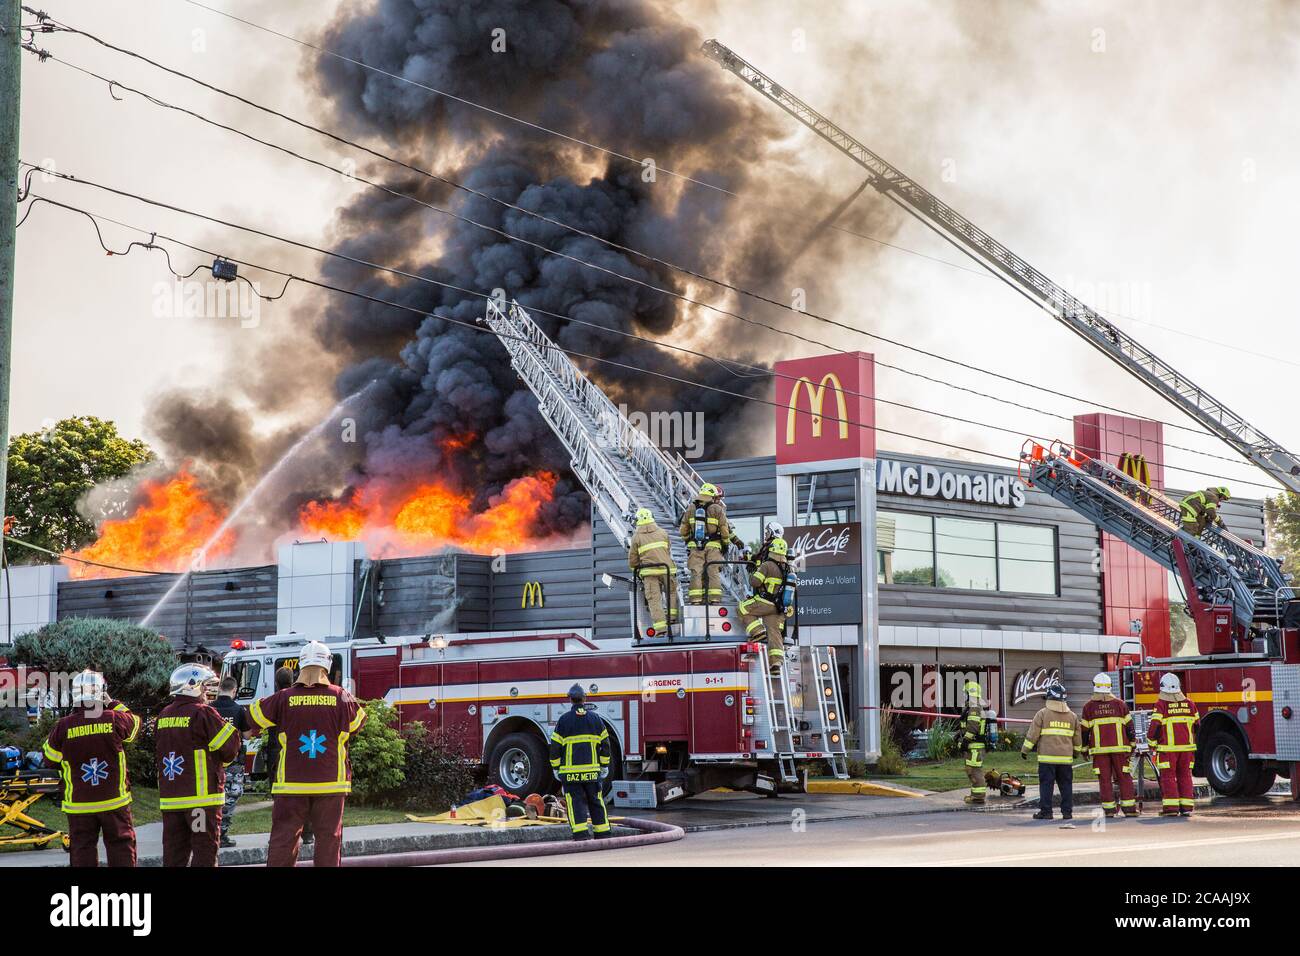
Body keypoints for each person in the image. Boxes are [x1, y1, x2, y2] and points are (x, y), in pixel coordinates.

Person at [250, 641, 366, 866]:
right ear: (328, 665)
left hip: (291, 782)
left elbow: (252, 718)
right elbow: (357, 725)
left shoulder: (283, 697)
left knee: (284, 838)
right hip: (331, 782)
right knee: (329, 839)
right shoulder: (341, 696)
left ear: (300, 666)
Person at [42, 669, 141, 867]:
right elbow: (134, 724)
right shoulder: (114, 718)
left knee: (82, 848)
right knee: (120, 844)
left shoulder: (63, 726)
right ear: (101, 693)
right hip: (114, 800)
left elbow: (50, 759)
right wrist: (111, 702)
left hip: (79, 802)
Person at [155, 663, 242, 867]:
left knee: (174, 854)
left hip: (171, 801)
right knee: (204, 849)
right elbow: (229, 747)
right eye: (205, 686)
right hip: (200, 803)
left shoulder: (163, 716)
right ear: (193, 686)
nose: (207, 692)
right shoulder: (203, 713)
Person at [549, 683, 612, 840]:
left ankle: (581, 834)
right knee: (596, 800)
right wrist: (604, 766)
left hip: (571, 774)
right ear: (584, 699)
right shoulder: (596, 719)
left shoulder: (563, 721)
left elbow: (555, 748)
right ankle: (603, 832)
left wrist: (556, 767)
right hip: (592, 773)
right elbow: (605, 745)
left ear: (570, 700)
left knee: (575, 803)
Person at [1021, 681, 1083, 821]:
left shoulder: (1042, 714)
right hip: (1065, 760)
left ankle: (1046, 812)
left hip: (1047, 759)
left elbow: (1032, 735)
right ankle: (1067, 812)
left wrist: (1025, 750)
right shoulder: (1072, 716)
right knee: (1066, 786)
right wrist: (1076, 753)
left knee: (1046, 786)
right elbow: (1077, 739)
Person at [1081, 673, 1138, 818]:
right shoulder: (1120, 704)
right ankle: (1129, 809)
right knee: (1124, 777)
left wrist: (1084, 749)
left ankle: (1109, 810)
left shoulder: (1088, 707)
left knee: (1105, 780)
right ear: (1110, 687)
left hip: (1100, 752)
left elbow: (1084, 731)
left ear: (1095, 687)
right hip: (1121, 749)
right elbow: (1130, 726)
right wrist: (1132, 744)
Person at [738, 536, 793, 673]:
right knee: (774, 634)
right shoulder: (788, 569)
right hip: (778, 608)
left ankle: (758, 632)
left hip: (765, 602)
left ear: (772, 550)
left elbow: (755, 582)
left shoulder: (767, 565)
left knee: (743, 607)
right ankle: (776, 664)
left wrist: (754, 572)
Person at [210, 674, 253, 847]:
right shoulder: (238, 710)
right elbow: (247, 735)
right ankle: (222, 832)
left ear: (220, 689)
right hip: (233, 761)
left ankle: (212, 831)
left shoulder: (209, 709)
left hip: (213, 761)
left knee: (214, 796)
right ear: (234, 690)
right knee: (233, 794)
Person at [1149, 673, 1200, 817]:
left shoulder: (1161, 704)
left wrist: (1151, 742)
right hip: (1187, 749)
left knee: (1168, 777)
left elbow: (1155, 726)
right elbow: (1197, 726)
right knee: (1185, 776)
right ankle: (1187, 808)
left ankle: (1171, 809)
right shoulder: (1190, 704)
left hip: (1168, 749)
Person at [627, 507, 677, 635]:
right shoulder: (662, 532)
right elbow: (668, 550)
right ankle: (672, 618)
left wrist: (636, 571)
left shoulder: (636, 537)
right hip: (666, 569)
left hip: (649, 573)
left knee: (654, 599)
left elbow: (633, 559)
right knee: (671, 592)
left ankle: (661, 629)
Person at [678, 482, 730, 605]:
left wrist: (688, 540)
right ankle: (715, 599)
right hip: (713, 546)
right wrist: (725, 544)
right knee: (713, 571)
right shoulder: (717, 509)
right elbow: (724, 530)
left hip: (696, 547)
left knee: (696, 572)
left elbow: (683, 529)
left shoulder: (691, 508)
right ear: (712, 495)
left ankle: (695, 599)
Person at [959, 680, 990, 806]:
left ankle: (978, 796)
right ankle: (975, 795)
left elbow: (972, 727)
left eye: (965, 693)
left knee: (975, 770)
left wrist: (965, 741)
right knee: (971, 770)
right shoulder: (972, 706)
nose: (964, 696)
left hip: (975, 746)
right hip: (974, 745)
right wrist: (958, 736)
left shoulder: (974, 708)